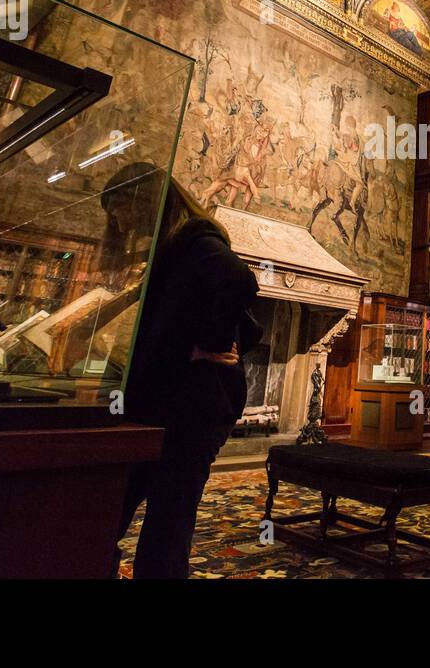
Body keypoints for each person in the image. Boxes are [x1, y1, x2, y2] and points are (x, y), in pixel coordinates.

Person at [105, 161, 263, 578]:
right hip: (165, 398)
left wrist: (206, 346)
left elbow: (240, 281)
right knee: (122, 507)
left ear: (147, 199)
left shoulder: (195, 240)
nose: (119, 220)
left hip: (194, 403)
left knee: (168, 520)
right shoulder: (172, 247)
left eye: (120, 207)